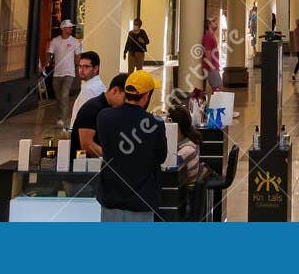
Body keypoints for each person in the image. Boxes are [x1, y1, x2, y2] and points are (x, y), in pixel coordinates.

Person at [94, 70, 166, 221]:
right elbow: (160, 157)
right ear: (146, 96)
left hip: (110, 198)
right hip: (141, 201)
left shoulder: (104, 117)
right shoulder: (155, 124)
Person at [169, 98, 212, 219]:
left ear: (176, 127)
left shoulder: (185, 151)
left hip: (185, 201)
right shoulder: (191, 142)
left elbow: (169, 167)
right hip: (187, 197)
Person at [73, 72, 126, 160]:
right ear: (115, 91)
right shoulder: (92, 107)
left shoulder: (110, 109)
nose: (126, 103)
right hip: (83, 164)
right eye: (124, 98)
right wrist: (113, 158)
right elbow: (87, 145)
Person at [46, 22, 81, 108]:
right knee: (58, 96)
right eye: (69, 27)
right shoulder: (55, 41)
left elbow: (78, 56)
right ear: (63, 28)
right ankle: (60, 112)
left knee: (64, 94)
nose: (71, 29)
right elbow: (49, 53)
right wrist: (47, 62)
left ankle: (63, 115)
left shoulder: (75, 41)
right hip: (57, 73)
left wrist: (77, 65)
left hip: (69, 73)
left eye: (71, 27)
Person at [70, 50, 104, 129]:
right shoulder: (97, 84)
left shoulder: (89, 89)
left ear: (96, 68)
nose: (81, 70)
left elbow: (84, 120)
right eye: (80, 66)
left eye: (86, 67)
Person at [201, 18, 222, 94]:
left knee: (217, 90)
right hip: (211, 68)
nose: (216, 23)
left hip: (213, 67)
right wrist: (212, 68)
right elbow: (208, 53)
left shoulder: (212, 36)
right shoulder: (208, 37)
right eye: (213, 21)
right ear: (208, 24)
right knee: (218, 90)